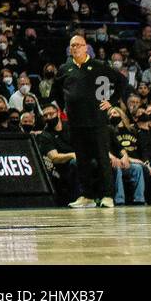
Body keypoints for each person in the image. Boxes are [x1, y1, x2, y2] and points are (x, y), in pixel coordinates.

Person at [52, 32, 115, 208]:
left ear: (86, 47)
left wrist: (111, 102)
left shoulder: (98, 65)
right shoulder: (65, 68)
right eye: (72, 46)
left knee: (102, 159)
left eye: (78, 45)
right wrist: (65, 106)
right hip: (76, 123)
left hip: (97, 122)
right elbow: (56, 92)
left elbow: (118, 83)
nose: (75, 48)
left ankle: (107, 195)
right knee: (82, 160)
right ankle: (87, 196)